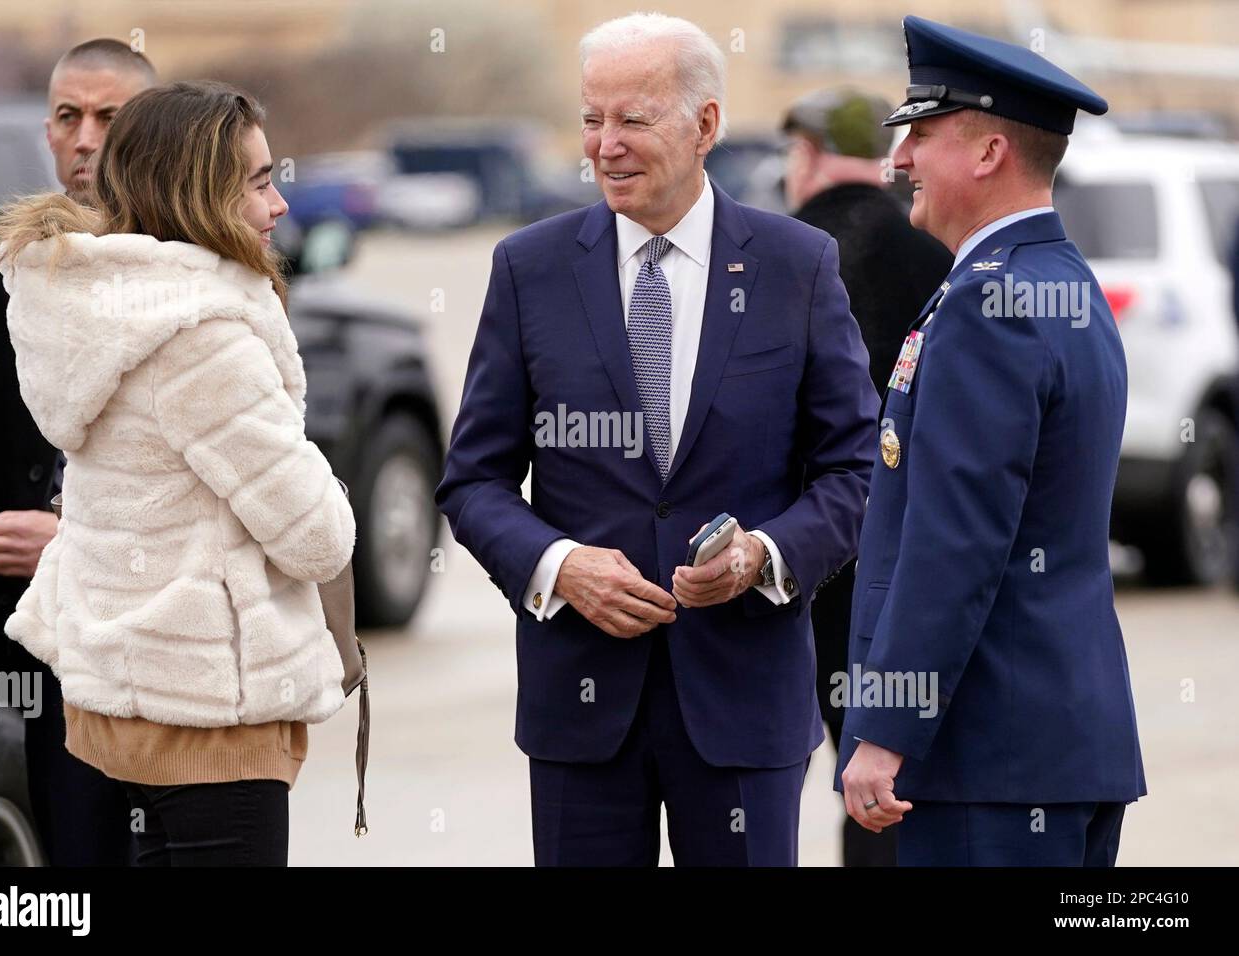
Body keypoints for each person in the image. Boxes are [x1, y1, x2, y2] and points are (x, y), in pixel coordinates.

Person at [436, 13, 877, 867]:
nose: (605, 146)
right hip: (583, 708)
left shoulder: (798, 265)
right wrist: (560, 564)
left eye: (633, 120)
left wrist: (766, 555)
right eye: (592, 119)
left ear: (705, 125)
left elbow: (855, 468)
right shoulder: (529, 269)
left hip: (744, 704)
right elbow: (472, 482)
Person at [0, 80, 355, 866]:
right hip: (207, 721)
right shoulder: (201, 337)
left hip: (112, 711)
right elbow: (318, 539)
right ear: (199, 195)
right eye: (258, 182)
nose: (279, 204)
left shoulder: (91, 310)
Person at [834, 15, 1147, 866]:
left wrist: (888, 730)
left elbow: (956, 543)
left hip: (986, 763)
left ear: (987, 154)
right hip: (1059, 747)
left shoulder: (986, 305)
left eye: (921, 135)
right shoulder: (1062, 280)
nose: (898, 160)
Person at [0, 38, 156, 866]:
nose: (87, 137)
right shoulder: (11, 256)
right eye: (69, 116)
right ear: (49, 131)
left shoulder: (195, 266)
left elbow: (225, 497)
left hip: (159, 658)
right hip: (34, 655)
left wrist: (69, 539)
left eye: (111, 117)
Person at [782, 86, 952, 867]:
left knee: (791, 769)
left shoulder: (779, 251)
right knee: (890, 781)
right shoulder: (940, 246)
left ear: (809, 154)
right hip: (918, 559)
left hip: (802, 558)